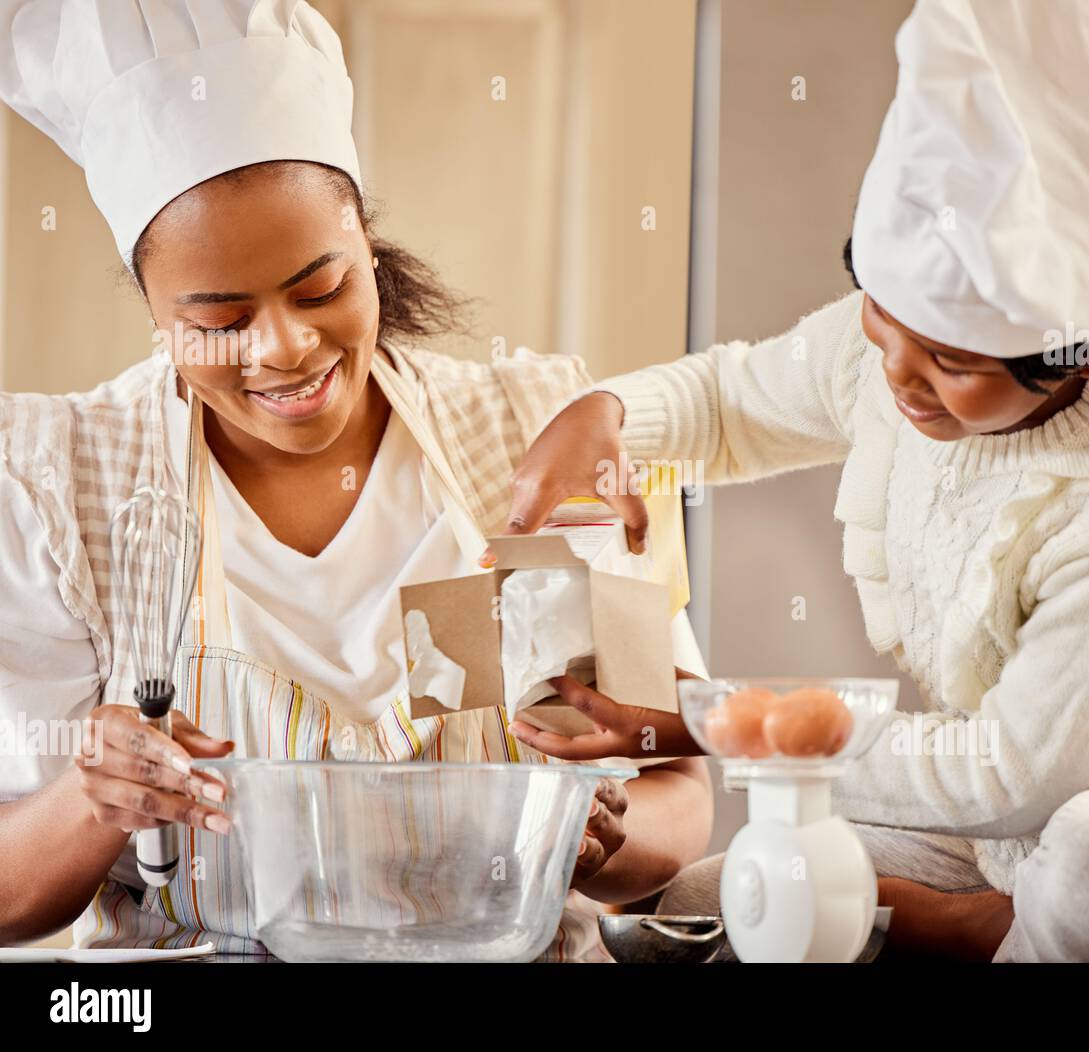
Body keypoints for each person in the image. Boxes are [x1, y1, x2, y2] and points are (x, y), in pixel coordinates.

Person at [502, 0, 1089, 962]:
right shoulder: (891, 352)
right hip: (1009, 832)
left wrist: (720, 724)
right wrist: (608, 414)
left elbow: (1008, 774)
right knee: (717, 897)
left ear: (1084, 360)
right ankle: (996, 922)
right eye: (881, 326)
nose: (896, 377)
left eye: (950, 361)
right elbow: (734, 401)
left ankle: (975, 930)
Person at [0, 0, 710, 960]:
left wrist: (599, 846)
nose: (284, 348)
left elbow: (677, 787)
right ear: (155, 308)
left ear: (368, 248)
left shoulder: (540, 431)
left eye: (320, 289)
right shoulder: (55, 486)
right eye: (218, 317)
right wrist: (91, 801)